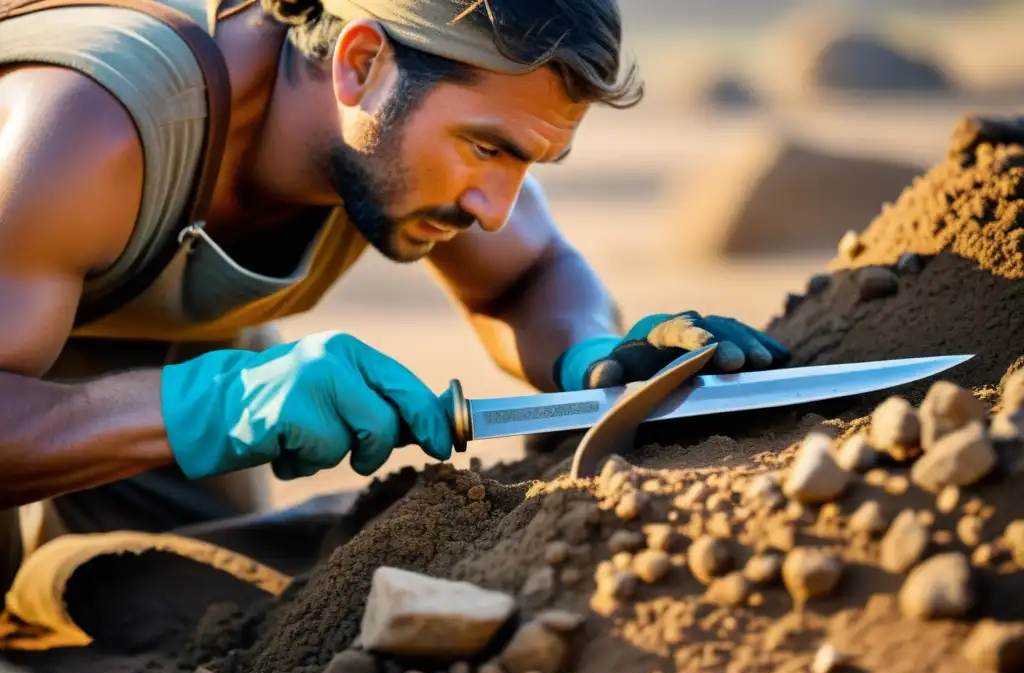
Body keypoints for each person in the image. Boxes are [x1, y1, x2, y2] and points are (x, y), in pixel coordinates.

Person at [0, 0, 791, 591]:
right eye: (486, 148)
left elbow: (531, 273)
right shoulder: (90, 128)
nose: (495, 210)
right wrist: (219, 403)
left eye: (528, 165)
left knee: (163, 606)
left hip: (131, 341)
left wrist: (592, 357)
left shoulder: (393, 129)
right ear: (360, 63)